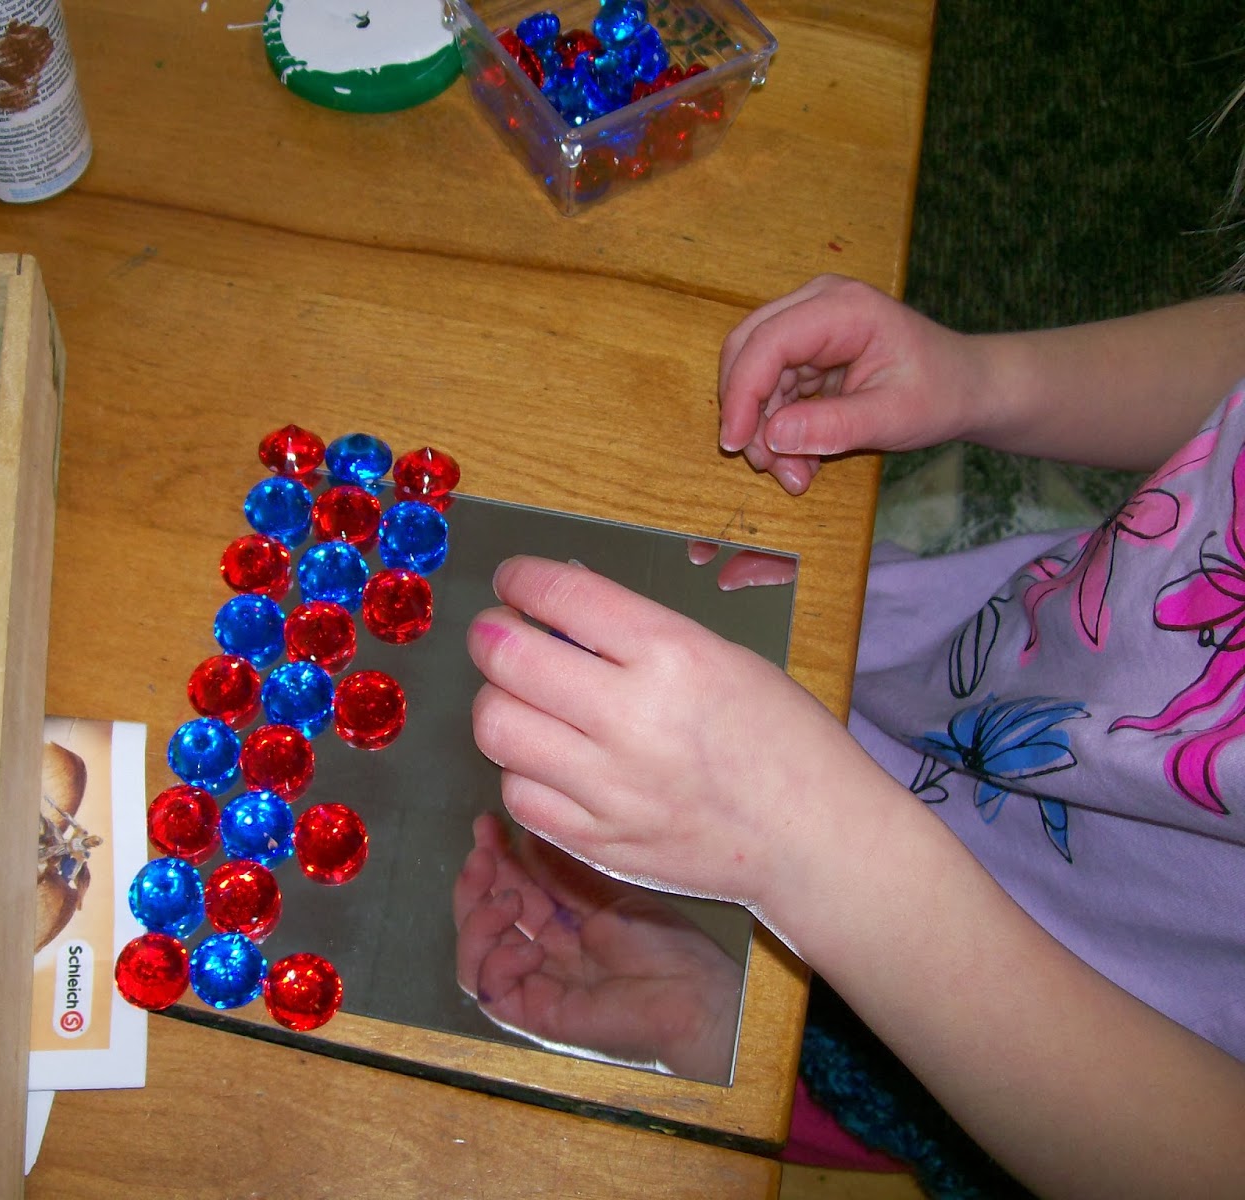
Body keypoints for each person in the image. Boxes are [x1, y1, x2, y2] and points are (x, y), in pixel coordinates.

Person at [455, 274, 1245, 1199]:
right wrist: (987, 379)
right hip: (971, 662)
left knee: (855, 1089)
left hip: (1049, 1035)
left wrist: (809, 851)